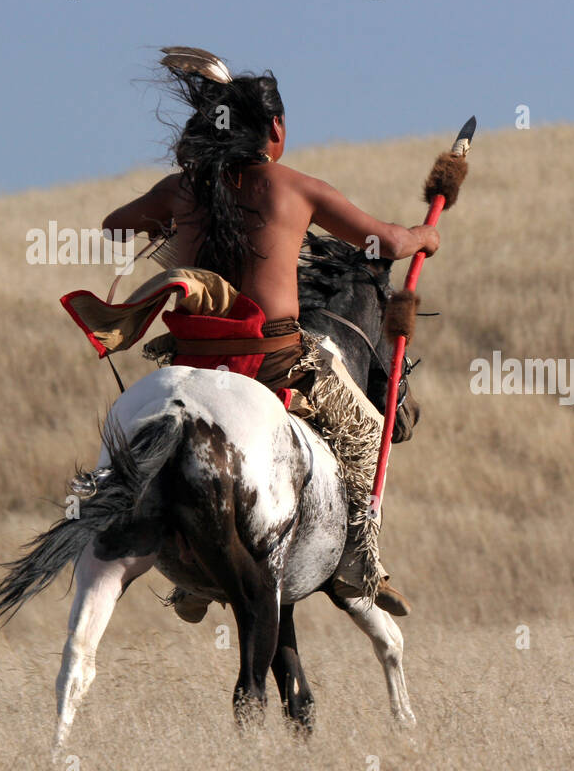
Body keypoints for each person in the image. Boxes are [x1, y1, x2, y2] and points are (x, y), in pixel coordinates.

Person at [98, 48, 436, 618]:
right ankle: (359, 562)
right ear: (275, 128)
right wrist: (425, 235)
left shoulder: (183, 191)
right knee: (365, 433)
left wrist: (180, 212)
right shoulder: (295, 188)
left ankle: (187, 571)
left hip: (198, 362)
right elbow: (386, 243)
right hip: (274, 360)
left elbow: (113, 229)